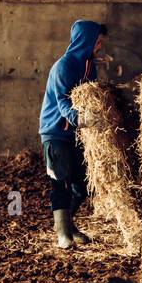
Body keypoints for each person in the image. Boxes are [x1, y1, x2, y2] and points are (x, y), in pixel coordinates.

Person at [38, 20, 104, 250]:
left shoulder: (90, 66)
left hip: (76, 134)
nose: (100, 43)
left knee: (82, 182)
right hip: (55, 131)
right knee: (60, 180)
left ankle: (69, 225)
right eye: (96, 39)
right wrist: (82, 120)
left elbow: (92, 96)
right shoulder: (63, 66)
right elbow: (63, 101)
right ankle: (63, 234)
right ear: (85, 40)